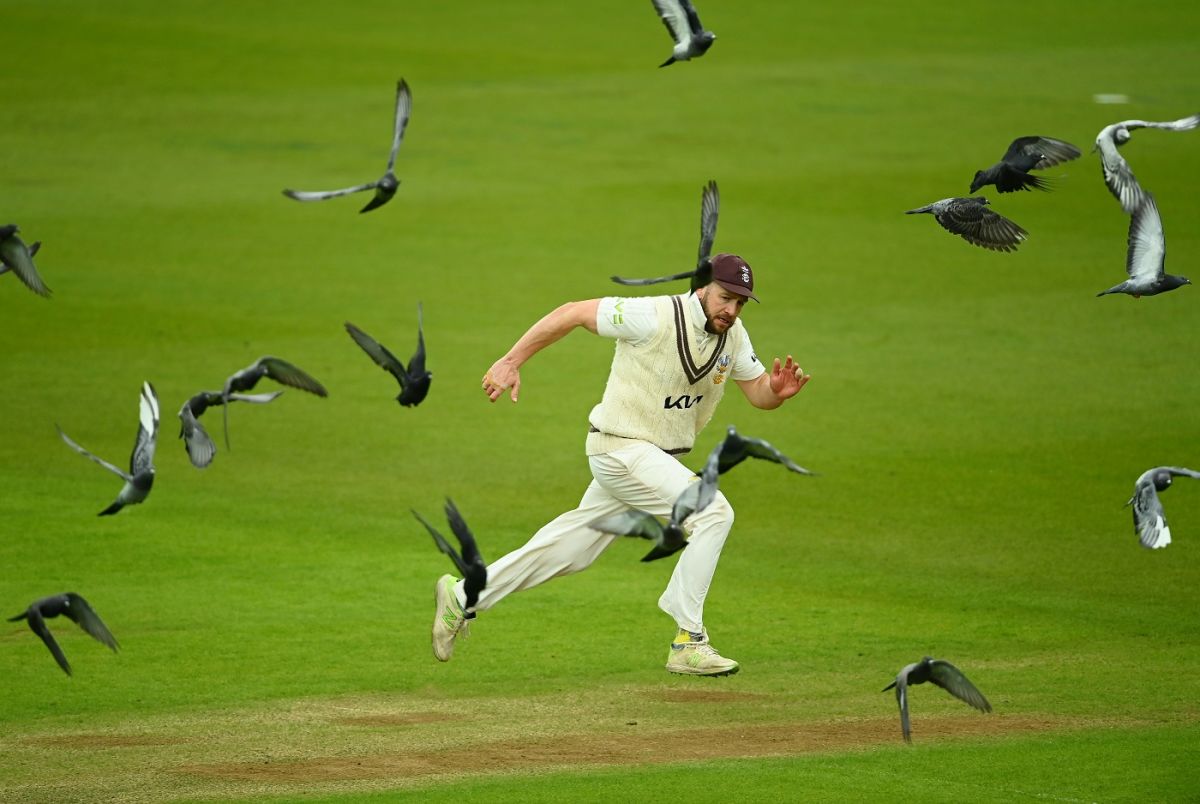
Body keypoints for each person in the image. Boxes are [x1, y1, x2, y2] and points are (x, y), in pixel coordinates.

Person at [432, 253, 810, 676]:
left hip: (652, 461)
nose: (732, 310)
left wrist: (775, 392)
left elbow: (757, 391)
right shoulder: (651, 315)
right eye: (726, 298)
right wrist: (511, 361)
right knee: (712, 512)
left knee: (572, 551)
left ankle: (462, 596)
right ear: (702, 287)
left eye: (740, 302)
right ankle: (689, 639)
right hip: (621, 449)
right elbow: (573, 312)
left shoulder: (733, 335)